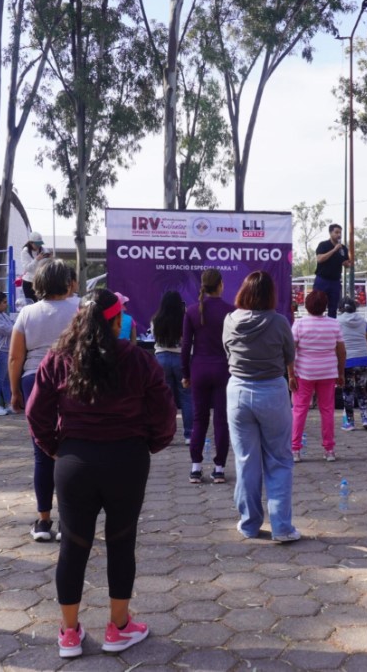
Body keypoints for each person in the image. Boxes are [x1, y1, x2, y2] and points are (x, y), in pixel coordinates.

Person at [26, 288, 176, 658]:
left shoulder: (58, 357)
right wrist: (151, 444)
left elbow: (35, 412)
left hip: (74, 462)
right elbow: (163, 411)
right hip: (126, 460)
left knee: (72, 546)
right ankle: (119, 628)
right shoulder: (138, 359)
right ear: (114, 320)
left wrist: (55, 447)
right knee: (121, 543)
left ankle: (69, 633)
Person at [222, 271, 301, 541]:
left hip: (238, 392)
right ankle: (282, 528)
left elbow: (227, 352)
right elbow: (290, 355)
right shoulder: (279, 322)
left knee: (246, 461)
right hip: (272, 391)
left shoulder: (230, 320)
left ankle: (249, 524)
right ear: (270, 295)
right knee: (279, 459)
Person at [10, 260, 79, 542]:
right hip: (73, 381)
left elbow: (15, 356)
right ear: (67, 282)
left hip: (33, 380)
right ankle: (69, 520)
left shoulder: (27, 313)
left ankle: (43, 521)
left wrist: (15, 392)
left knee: (41, 452)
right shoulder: (81, 308)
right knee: (72, 450)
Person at [181, 268, 235, 484]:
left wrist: (185, 374)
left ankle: (195, 468)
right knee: (222, 420)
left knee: (199, 420)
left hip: (199, 370)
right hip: (224, 369)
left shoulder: (192, 311)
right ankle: (219, 468)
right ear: (220, 284)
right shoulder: (231, 311)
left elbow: (186, 347)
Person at [290, 290, 345, 462]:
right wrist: (341, 372)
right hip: (327, 372)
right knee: (327, 410)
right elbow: (341, 351)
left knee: (299, 410)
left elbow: (291, 350)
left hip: (303, 373)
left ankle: (295, 450)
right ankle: (329, 450)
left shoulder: (299, 324)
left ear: (306, 305)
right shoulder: (334, 324)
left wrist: (290, 374)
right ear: (326, 306)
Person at [152, 290, 195, 443]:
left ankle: (166, 434)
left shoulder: (156, 319)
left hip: (162, 358)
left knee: (166, 398)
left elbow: (154, 338)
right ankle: (189, 434)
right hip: (182, 358)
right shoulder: (186, 318)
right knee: (187, 396)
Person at [336, 297, 367, 430]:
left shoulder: (337, 322)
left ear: (340, 308)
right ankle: (365, 419)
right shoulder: (363, 321)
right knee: (361, 389)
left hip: (348, 360)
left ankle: (350, 423)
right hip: (364, 359)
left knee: (348, 391)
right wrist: (364, 354)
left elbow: (337, 344)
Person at [313, 224, 352, 319]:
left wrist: (348, 264)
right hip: (322, 280)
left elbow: (345, 263)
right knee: (317, 304)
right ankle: (316, 327)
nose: (339, 235)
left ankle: (331, 328)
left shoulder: (343, 248)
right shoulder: (323, 245)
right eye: (336, 232)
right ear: (330, 233)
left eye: (340, 233)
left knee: (333, 307)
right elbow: (320, 259)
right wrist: (334, 250)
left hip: (335, 281)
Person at [20, 232, 52, 303]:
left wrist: (50, 259)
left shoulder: (44, 250)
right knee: (31, 303)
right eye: (37, 244)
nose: (39, 246)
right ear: (31, 243)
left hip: (41, 281)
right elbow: (27, 268)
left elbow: (47, 266)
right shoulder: (25, 252)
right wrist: (37, 259)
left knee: (43, 303)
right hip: (29, 282)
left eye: (40, 243)